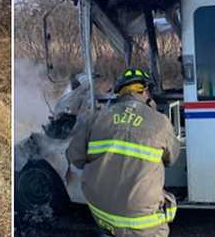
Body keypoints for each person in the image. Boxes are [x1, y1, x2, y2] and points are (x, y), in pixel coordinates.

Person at [67, 68, 181, 236]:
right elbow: (172, 158)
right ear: (145, 91)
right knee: (167, 206)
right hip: (143, 222)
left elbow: (75, 158)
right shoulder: (160, 122)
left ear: (119, 94)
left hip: (102, 212)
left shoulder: (96, 118)